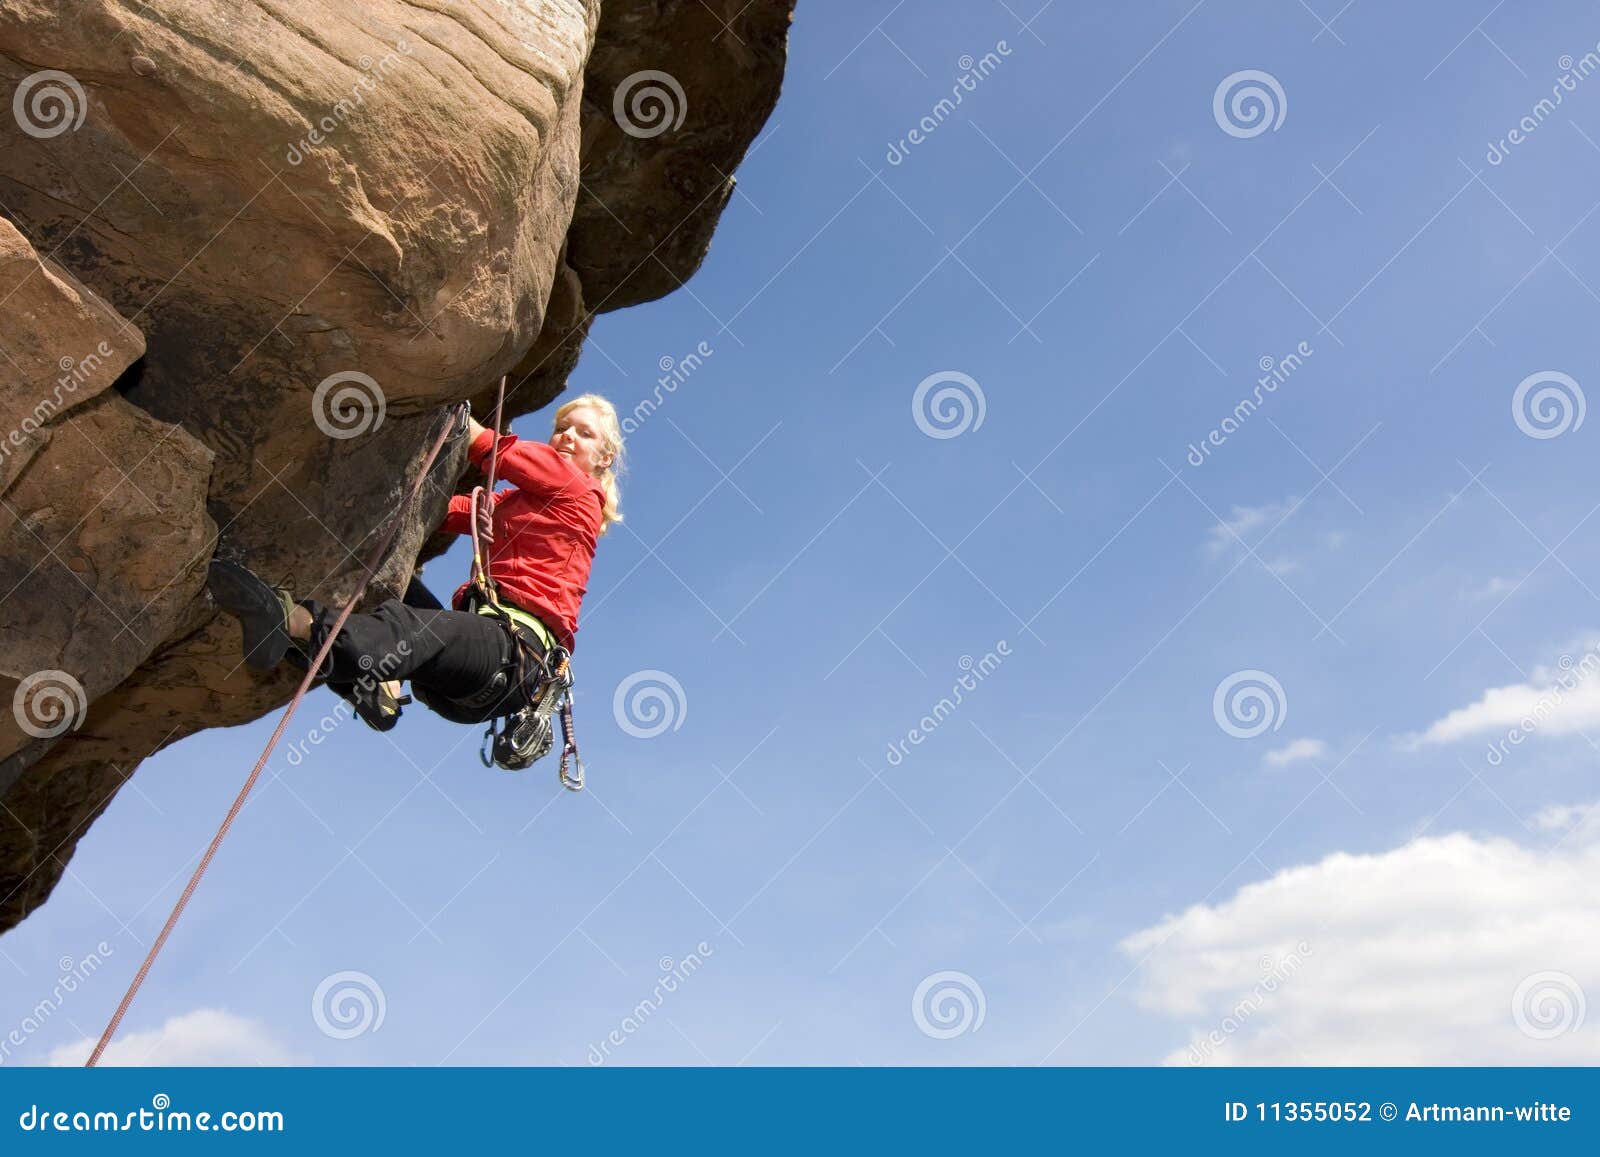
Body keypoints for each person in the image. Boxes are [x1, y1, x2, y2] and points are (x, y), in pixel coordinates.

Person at [206, 393, 625, 732]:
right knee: (393, 585)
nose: (567, 436)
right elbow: (447, 509)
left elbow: (488, 447)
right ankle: (379, 686)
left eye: (584, 433)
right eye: (562, 428)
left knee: (407, 626)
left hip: (511, 653)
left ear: (603, 458)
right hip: (472, 679)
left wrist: (452, 401)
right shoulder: (515, 503)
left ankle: (292, 620)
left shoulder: (579, 491)